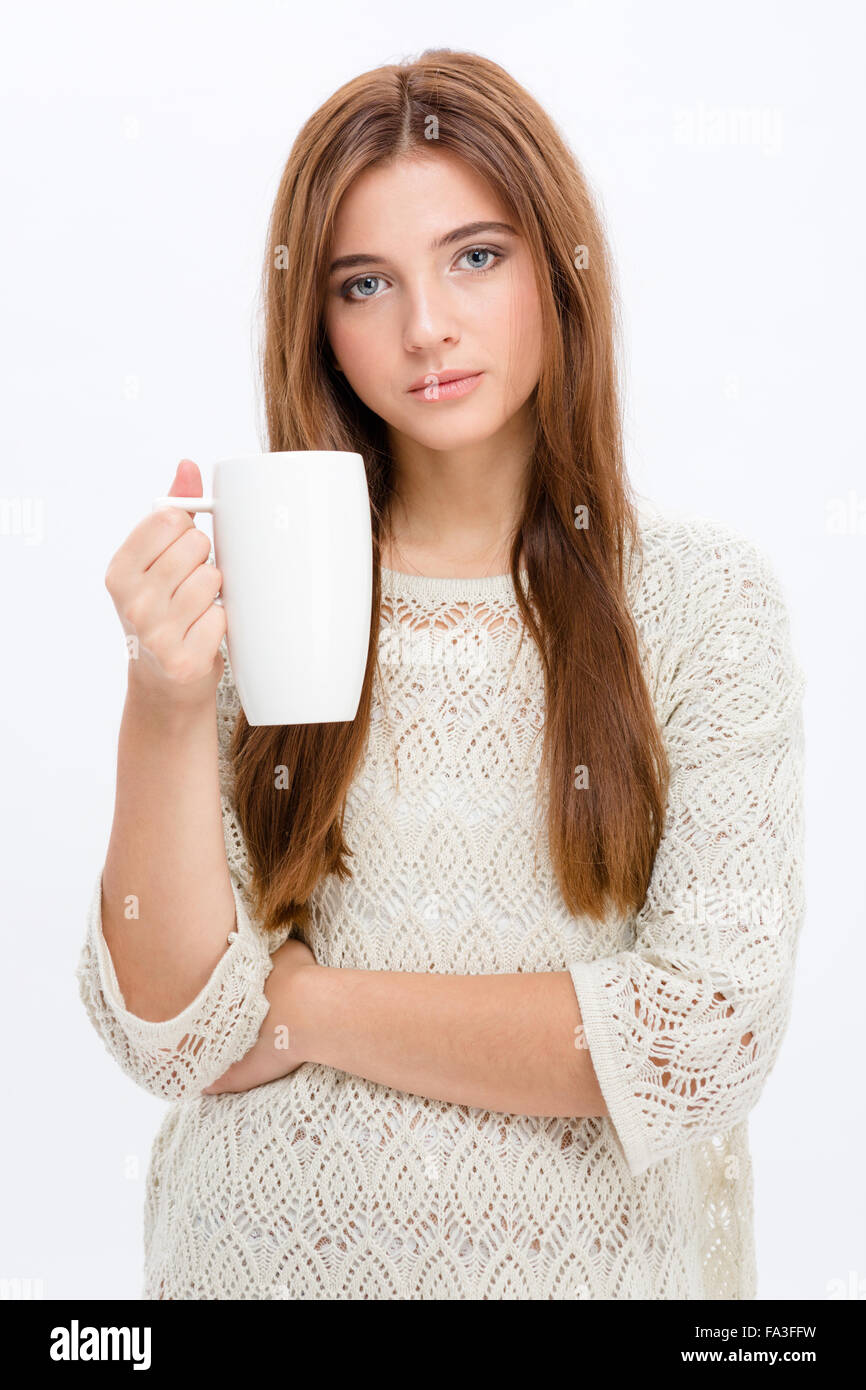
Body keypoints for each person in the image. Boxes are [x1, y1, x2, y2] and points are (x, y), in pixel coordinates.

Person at [76, 48, 806, 1300]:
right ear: (317, 322)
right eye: (365, 284)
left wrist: (304, 1007)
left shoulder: (696, 606)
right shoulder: (260, 590)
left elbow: (697, 1036)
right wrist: (166, 698)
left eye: (475, 256)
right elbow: (171, 1027)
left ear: (556, 265)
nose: (425, 327)